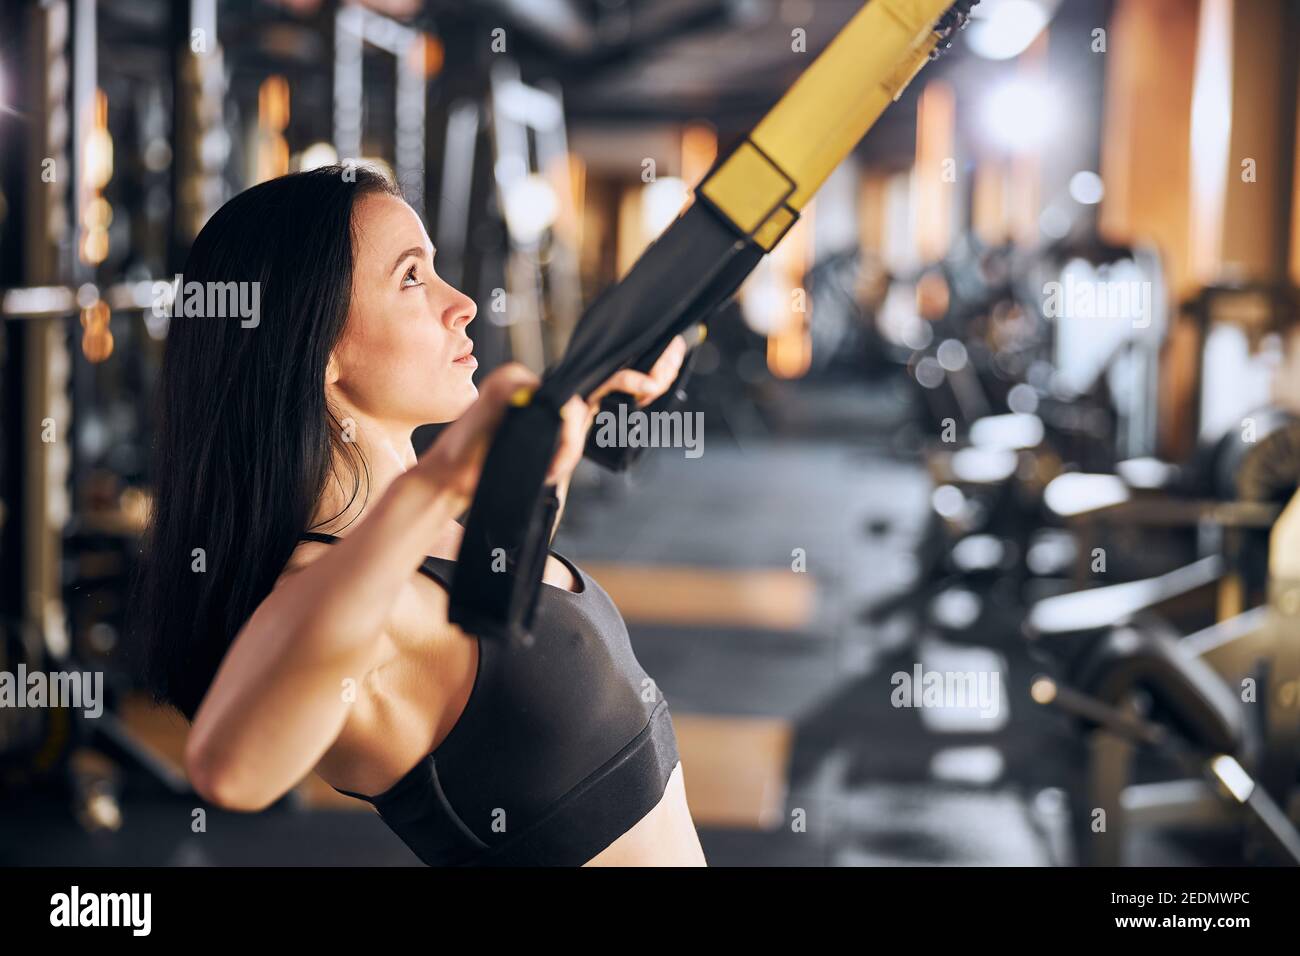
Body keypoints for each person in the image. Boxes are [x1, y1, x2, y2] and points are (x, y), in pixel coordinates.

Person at [129, 165, 706, 866]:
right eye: (410, 278)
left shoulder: (445, 536)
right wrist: (437, 478)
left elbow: (514, 595)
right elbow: (230, 771)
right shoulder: (333, 590)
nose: (461, 303)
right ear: (317, 348)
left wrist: (615, 363)